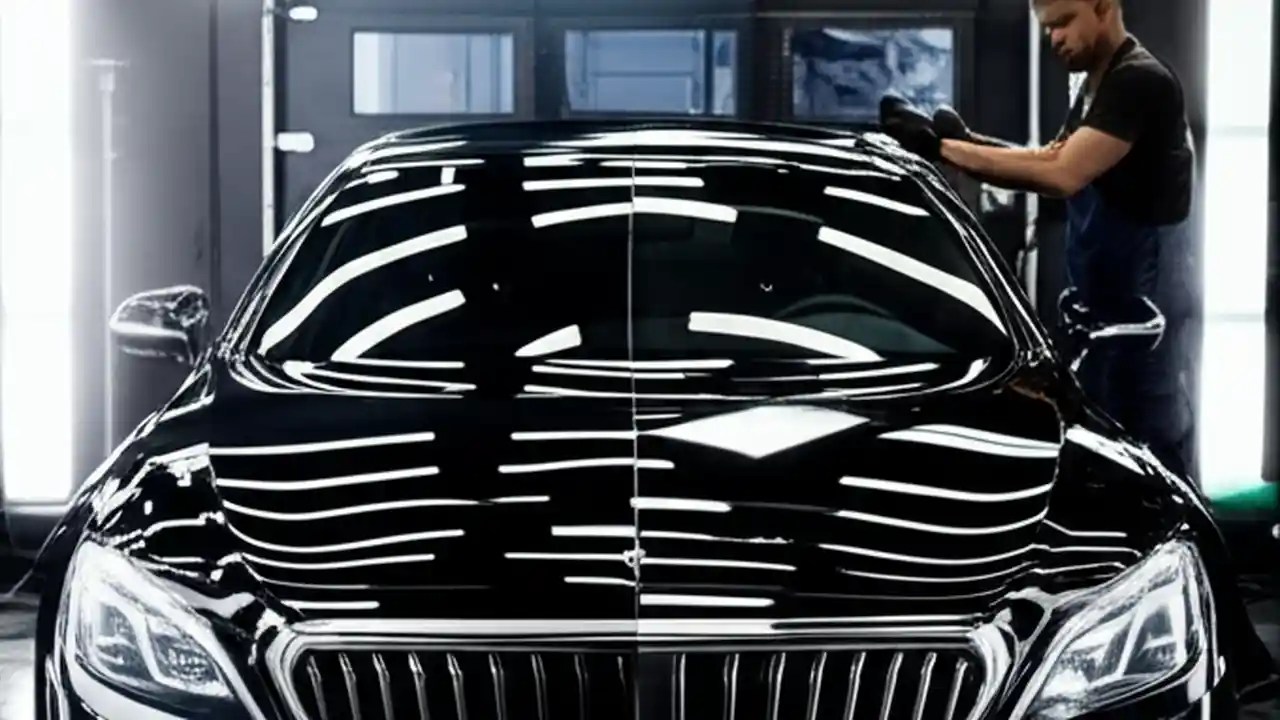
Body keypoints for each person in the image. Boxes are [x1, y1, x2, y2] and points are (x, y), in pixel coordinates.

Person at [880, 0, 1198, 478]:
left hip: (1142, 331)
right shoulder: (1095, 85)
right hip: (1103, 321)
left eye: (1064, 23)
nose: (1054, 39)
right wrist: (968, 142)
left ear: (1103, 6)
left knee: (1152, 476)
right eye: (1047, 29)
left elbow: (1062, 173)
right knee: (1100, 474)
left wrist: (943, 147)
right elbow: (1048, 156)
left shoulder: (1139, 81)